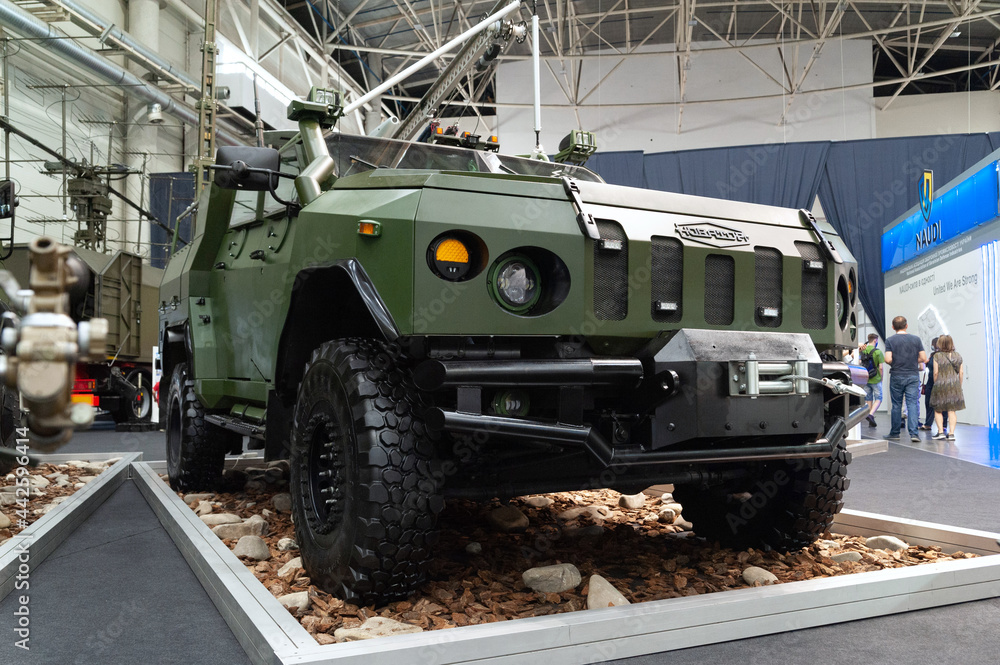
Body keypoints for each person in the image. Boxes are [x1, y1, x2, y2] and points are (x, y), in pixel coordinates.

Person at [884, 316, 927, 442]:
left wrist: (897, 362)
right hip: (912, 375)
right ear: (906, 325)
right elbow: (923, 358)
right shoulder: (916, 339)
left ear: (893, 327)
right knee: (912, 404)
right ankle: (914, 434)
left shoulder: (890, 340)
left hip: (897, 374)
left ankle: (895, 433)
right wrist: (912, 361)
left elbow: (887, 359)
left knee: (896, 405)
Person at [930, 335, 965, 442]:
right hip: (954, 386)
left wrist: (936, 384)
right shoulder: (958, 356)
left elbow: (935, 373)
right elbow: (961, 372)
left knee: (938, 409)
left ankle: (940, 432)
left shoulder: (937, 356)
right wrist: (959, 385)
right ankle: (951, 434)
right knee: (952, 410)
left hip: (940, 385)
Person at [858, 334, 884, 428]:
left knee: (868, 399)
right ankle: (871, 414)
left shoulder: (862, 350)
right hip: (875, 378)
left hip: (866, 378)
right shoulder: (878, 352)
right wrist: (881, 378)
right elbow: (880, 367)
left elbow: (859, 362)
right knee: (879, 398)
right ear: (875, 340)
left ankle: (869, 419)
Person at [920, 337, 939, 431]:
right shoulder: (932, 355)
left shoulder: (938, 356)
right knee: (929, 403)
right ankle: (928, 423)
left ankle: (932, 424)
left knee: (933, 405)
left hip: (935, 382)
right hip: (930, 382)